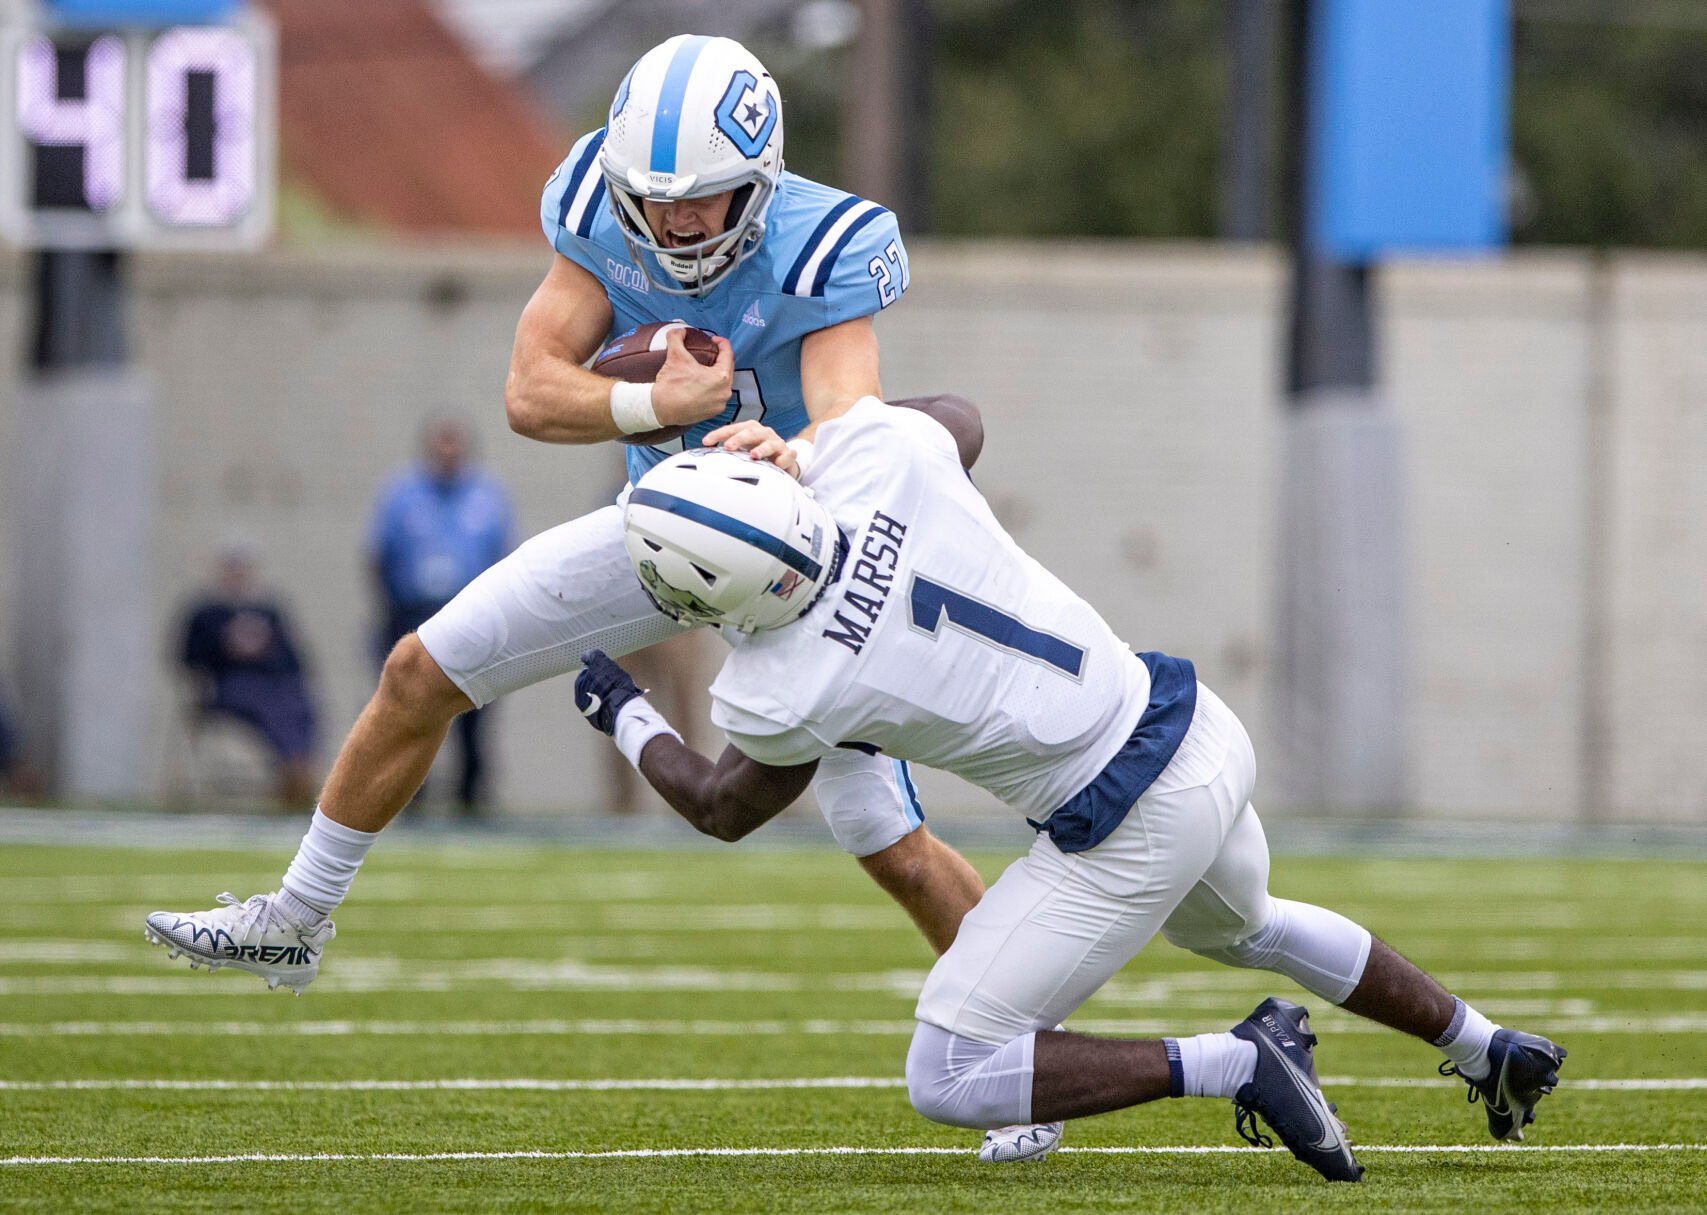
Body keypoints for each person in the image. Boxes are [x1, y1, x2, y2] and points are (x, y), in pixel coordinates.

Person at [144, 34, 1054, 1162]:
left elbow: (854, 418)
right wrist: (655, 409)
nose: (674, 222)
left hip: (799, 559)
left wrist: (797, 452)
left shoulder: (826, 241)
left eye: (702, 199)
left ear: (761, 182)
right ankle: (295, 916)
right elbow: (531, 391)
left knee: (891, 843)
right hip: (664, 529)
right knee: (419, 670)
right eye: (654, 199)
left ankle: (1024, 1057)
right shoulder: (594, 205)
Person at [561, 403, 1568, 1182]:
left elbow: (721, 807)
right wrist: (803, 446)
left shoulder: (790, 683)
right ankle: (1487, 1046)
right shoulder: (884, 459)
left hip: (1126, 816)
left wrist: (625, 711)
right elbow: (960, 417)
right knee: (1248, 923)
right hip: (1194, 726)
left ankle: (1239, 1060)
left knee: (947, 1069)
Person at [369, 415, 514, 816]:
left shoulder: (487, 497)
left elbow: (502, 558)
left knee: (472, 710)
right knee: (410, 711)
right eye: (441, 443)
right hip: (414, 612)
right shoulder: (401, 495)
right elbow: (379, 556)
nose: (447, 452)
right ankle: (408, 798)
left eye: (454, 444)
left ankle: (471, 799)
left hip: (471, 613)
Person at [178, 545, 319, 808]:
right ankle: (293, 769)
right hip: (228, 686)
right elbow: (187, 658)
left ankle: (297, 766)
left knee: (298, 704)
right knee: (268, 704)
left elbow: (294, 660)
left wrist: (263, 646)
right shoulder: (206, 614)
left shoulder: (268, 612)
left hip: (275, 685)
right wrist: (226, 644)